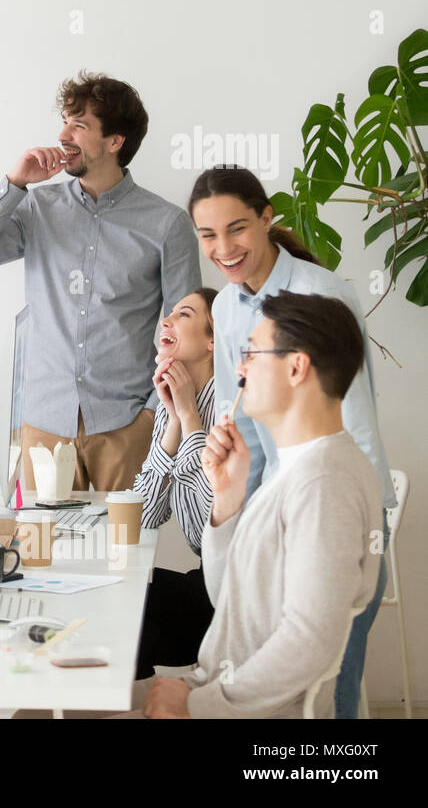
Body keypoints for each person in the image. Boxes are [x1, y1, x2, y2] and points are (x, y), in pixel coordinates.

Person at [187, 165, 392, 718]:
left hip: (329, 511)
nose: (224, 249)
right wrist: (238, 513)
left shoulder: (319, 296)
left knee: (321, 688)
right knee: (267, 676)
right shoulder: (228, 307)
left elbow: (353, 425)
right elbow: (248, 422)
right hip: (281, 511)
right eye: (208, 235)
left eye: (237, 229)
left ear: (267, 219)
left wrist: (361, 526)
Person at [0, 72, 201, 495]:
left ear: (114, 142)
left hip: (125, 428)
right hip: (43, 426)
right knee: (41, 558)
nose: (63, 135)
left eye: (79, 125)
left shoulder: (167, 224)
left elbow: (189, 333)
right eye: (66, 121)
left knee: (124, 558)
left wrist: (150, 417)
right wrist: (15, 182)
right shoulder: (37, 207)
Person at [138, 291, 382, 718]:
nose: (238, 367)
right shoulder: (293, 467)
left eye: (251, 352)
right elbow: (227, 597)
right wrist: (226, 509)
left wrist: (198, 704)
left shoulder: (325, 482)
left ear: (295, 367)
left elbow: (309, 641)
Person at [130, 289, 219, 679]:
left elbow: (213, 525)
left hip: (232, 595)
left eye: (183, 315)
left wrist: (190, 418)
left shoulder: (235, 410)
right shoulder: (172, 404)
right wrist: (174, 424)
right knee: (117, 596)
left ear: (214, 341)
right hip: (207, 577)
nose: (165, 322)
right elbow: (143, 517)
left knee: (126, 616)